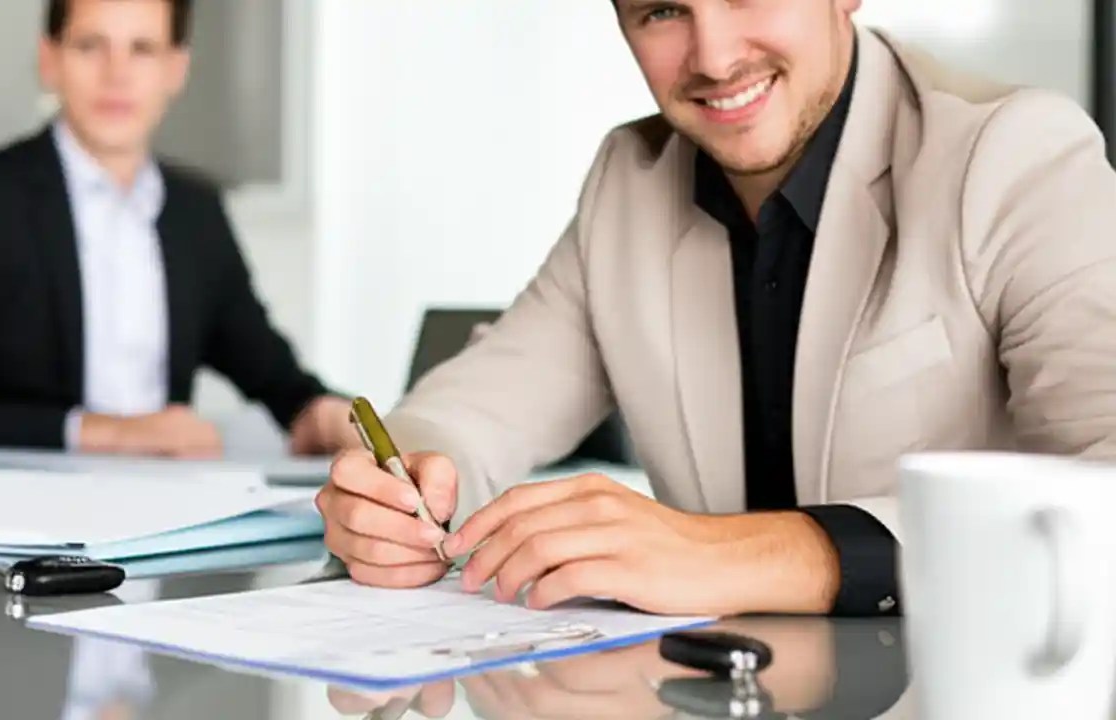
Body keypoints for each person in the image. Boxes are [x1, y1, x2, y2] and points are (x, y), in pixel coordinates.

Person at [317, 0, 1116, 617]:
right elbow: (472, 411)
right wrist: (398, 493)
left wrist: (734, 554)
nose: (715, 56)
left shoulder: (1016, 154)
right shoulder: (629, 182)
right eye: (663, 10)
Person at [0, 0, 359, 458]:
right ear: (50, 59)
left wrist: (319, 411)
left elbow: (271, 371)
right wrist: (112, 434)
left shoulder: (195, 210)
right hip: (1, 520)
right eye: (89, 45)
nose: (116, 74)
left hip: (161, 520)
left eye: (142, 49)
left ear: (176, 68)